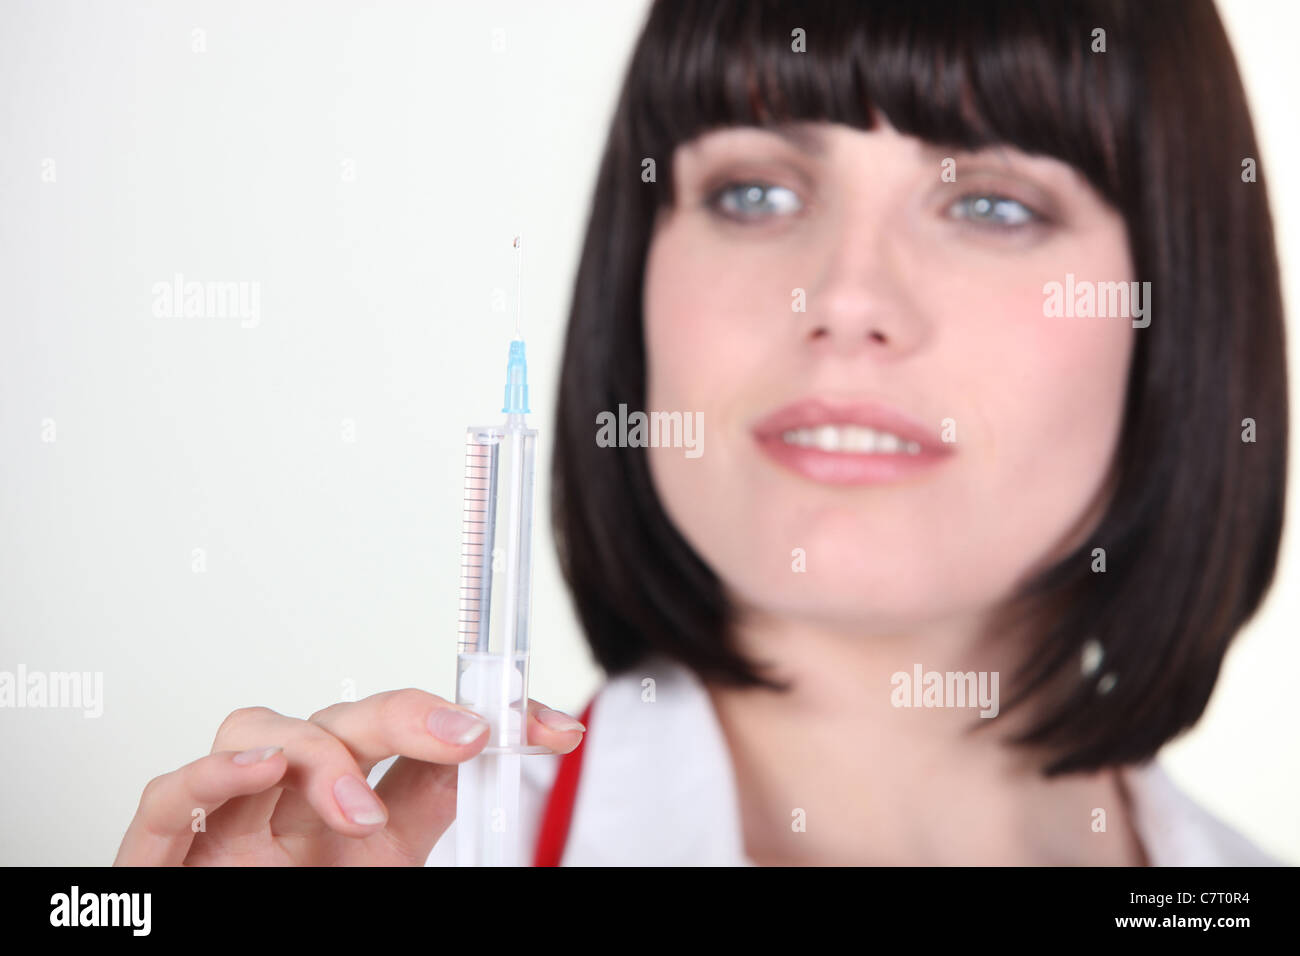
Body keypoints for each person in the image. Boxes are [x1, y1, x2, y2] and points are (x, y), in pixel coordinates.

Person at [115, 0, 1289, 866]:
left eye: (989, 204)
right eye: (754, 192)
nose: (842, 296)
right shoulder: (424, 851)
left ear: (1173, 309)